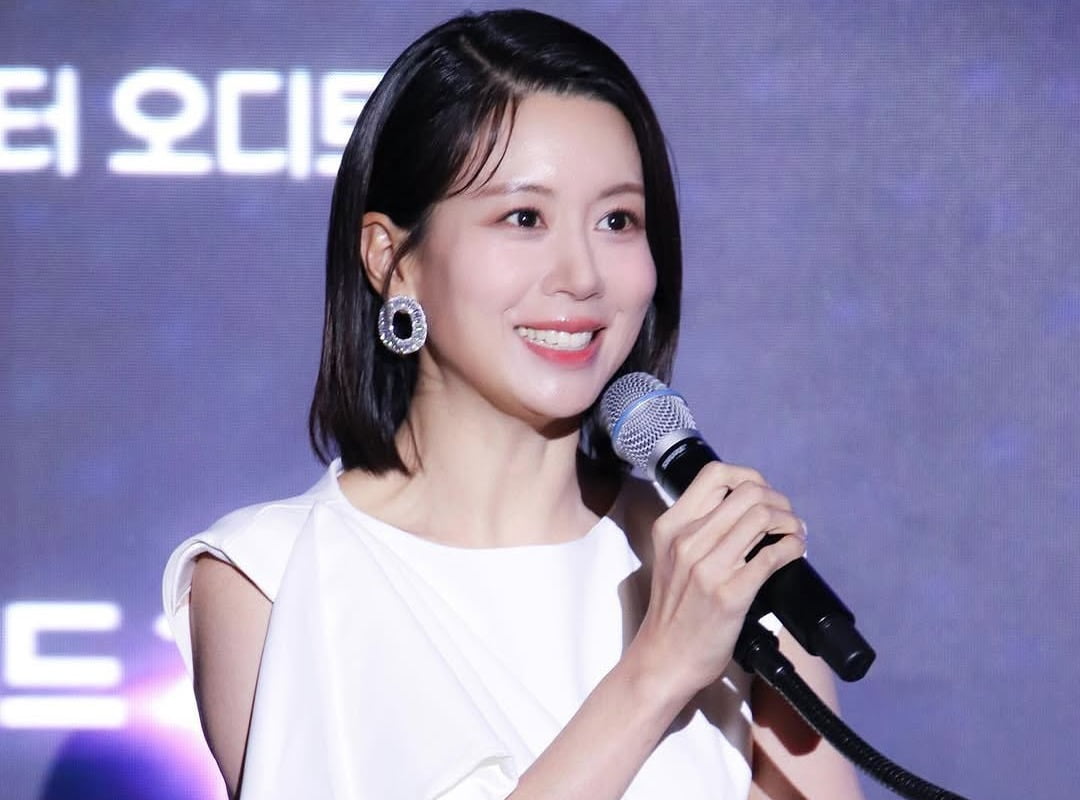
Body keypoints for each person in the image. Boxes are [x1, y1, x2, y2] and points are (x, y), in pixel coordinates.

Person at [162, 9, 865, 799]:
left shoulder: (713, 564)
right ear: (391, 260)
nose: (583, 275)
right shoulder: (271, 576)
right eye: (524, 218)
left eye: (617, 220)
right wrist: (659, 670)